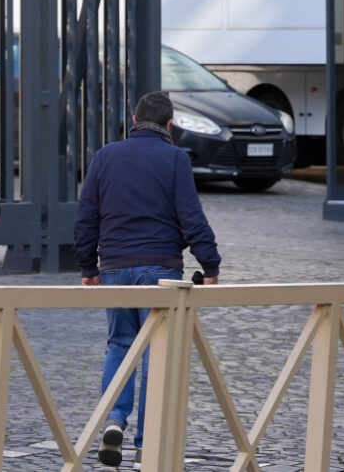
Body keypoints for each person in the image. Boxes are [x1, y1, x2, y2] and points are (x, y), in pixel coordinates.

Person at [74, 90, 221, 470]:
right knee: (157, 351)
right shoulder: (175, 159)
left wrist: (89, 267)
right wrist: (210, 265)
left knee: (119, 344)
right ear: (170, 124)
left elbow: (86, 216)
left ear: (135, 119)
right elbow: (191, 216)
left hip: (115, 267)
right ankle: (146, 445)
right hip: (160, 268)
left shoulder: (105, 157)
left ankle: (113, 421)